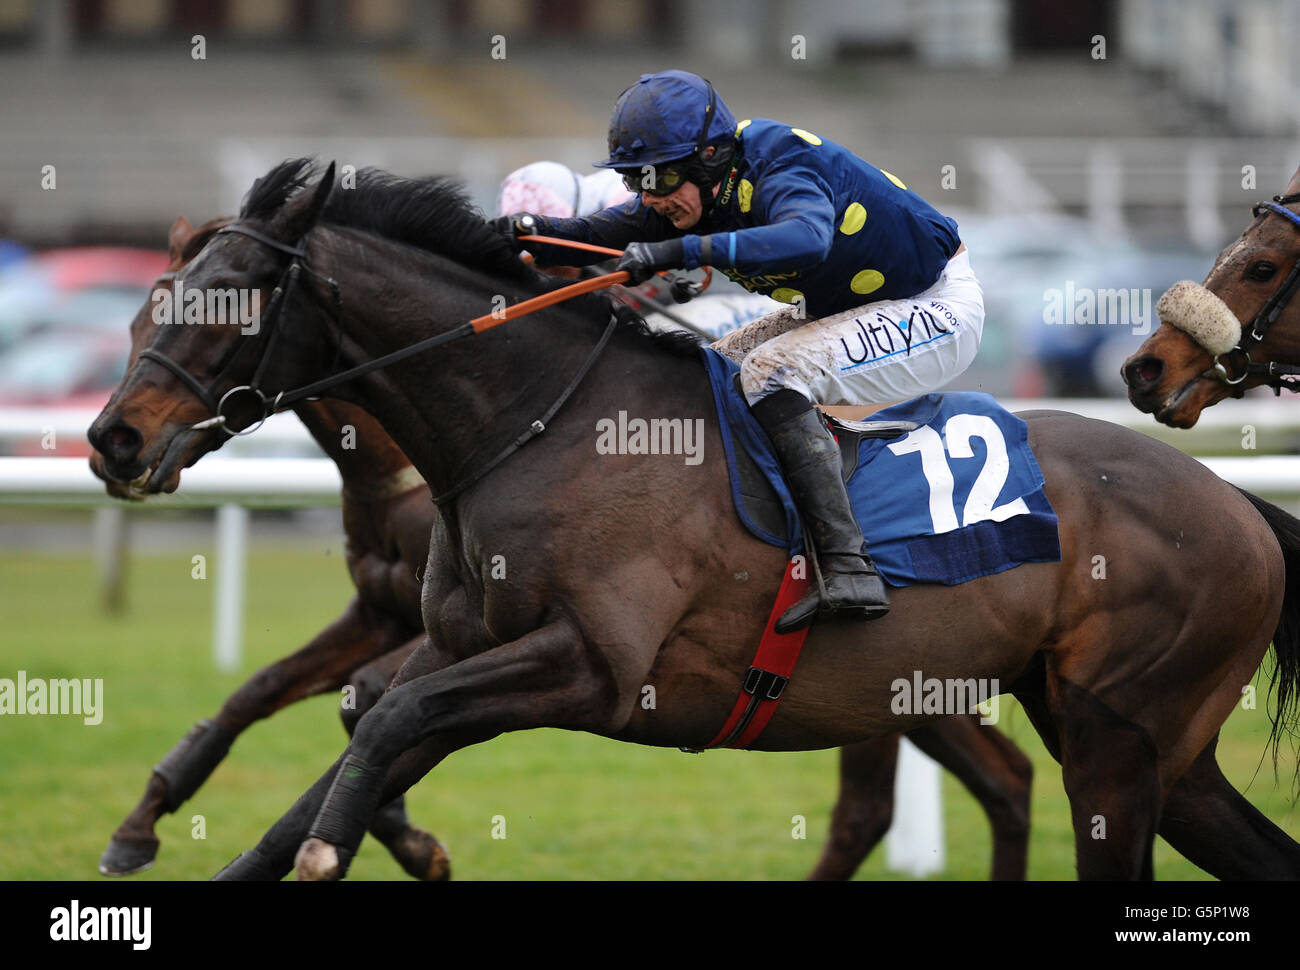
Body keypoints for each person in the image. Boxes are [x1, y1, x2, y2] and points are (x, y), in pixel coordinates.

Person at [494, 70, 984, 633]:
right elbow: (585, 232)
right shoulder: (691, 189)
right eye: (636, 181)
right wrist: (516, 232)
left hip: (936, 304)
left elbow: (807, 237)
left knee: (769, 372)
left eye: (661, 178)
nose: (650, 196)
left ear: (710, 156)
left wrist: (677, 251)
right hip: (852, 308)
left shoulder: (778, 161)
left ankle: (850, 567)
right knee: (705, 372)